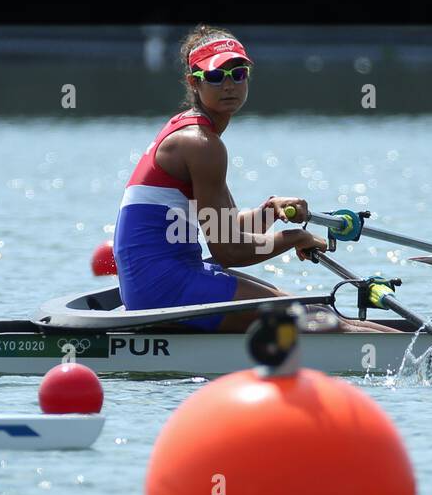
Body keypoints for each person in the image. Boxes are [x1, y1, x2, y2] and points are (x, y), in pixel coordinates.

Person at [113, 25, 396, 333]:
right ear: (193, 83)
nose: (229, 84)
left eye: (238, 73)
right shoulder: (200, 145)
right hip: (165, 289)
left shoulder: (190, 131)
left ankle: (430, 348)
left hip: (162, 281)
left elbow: (225, 228)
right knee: (316, 321)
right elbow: (228, 251)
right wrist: (294, 238)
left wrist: (269, 211)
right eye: (215, 76)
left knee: (314, 313)